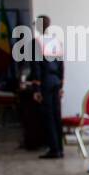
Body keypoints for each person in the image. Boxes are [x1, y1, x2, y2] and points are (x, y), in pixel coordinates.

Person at [33, 15, 65, 159]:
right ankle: (60, 148)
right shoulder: (55, 41)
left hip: (45, 81)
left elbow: (36, 66)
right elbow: (61, 64)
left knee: (49, 117)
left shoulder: (36, 43)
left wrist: (37, 89)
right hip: (56, 81)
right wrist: (61, 84)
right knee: (57, 116)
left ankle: (53, 149)